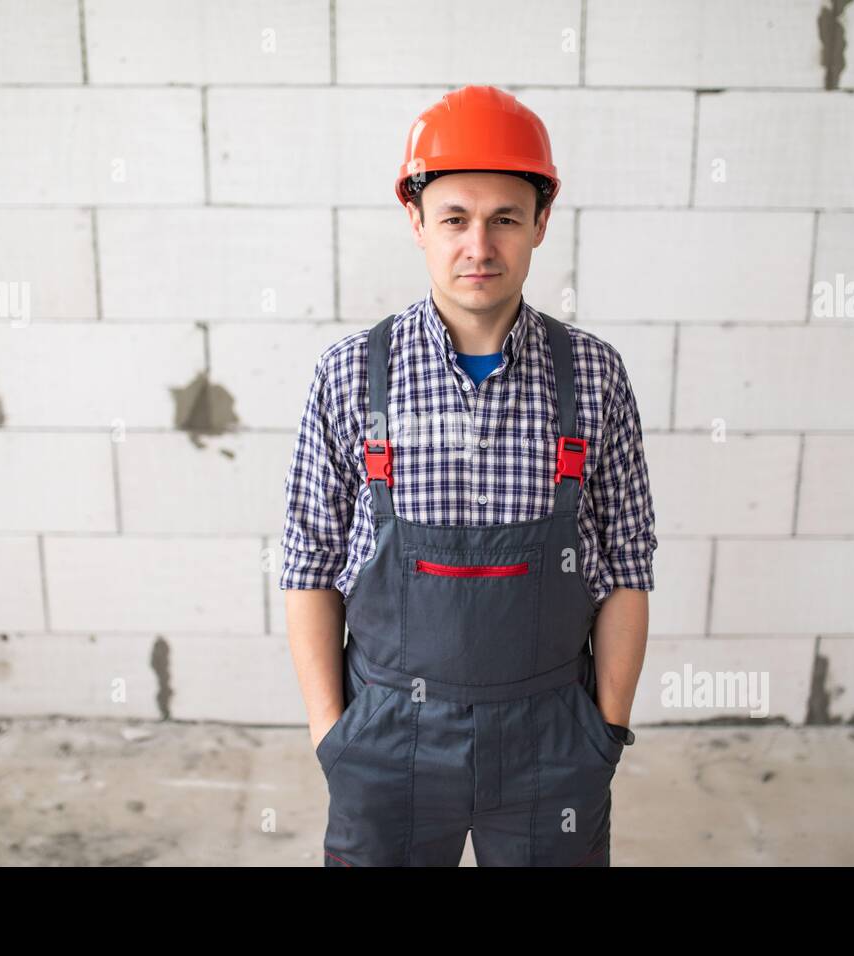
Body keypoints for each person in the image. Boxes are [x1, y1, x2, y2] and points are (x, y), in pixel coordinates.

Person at [280, 85, 657, 866]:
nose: (478, 246)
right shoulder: (351, 374)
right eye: (454, 218)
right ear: (416, 222)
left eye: (505, 219)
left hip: (552, 737)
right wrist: (333, 735)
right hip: (386, 737)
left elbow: (627, 565)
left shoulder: (594, 376)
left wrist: (605, 730)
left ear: (540, 225)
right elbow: (306, 563)